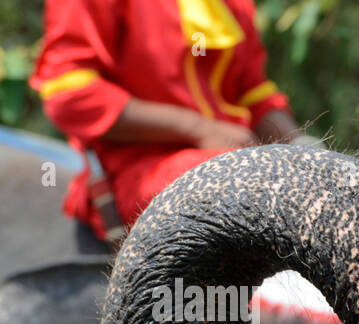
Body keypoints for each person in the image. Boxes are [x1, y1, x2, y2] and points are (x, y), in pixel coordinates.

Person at [30, 0, 307, 242]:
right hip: (138, 171)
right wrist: (197, 129)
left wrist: (308, 151)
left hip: (235, 160)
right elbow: (69, 93)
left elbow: (253, 93)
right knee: (248, 184)